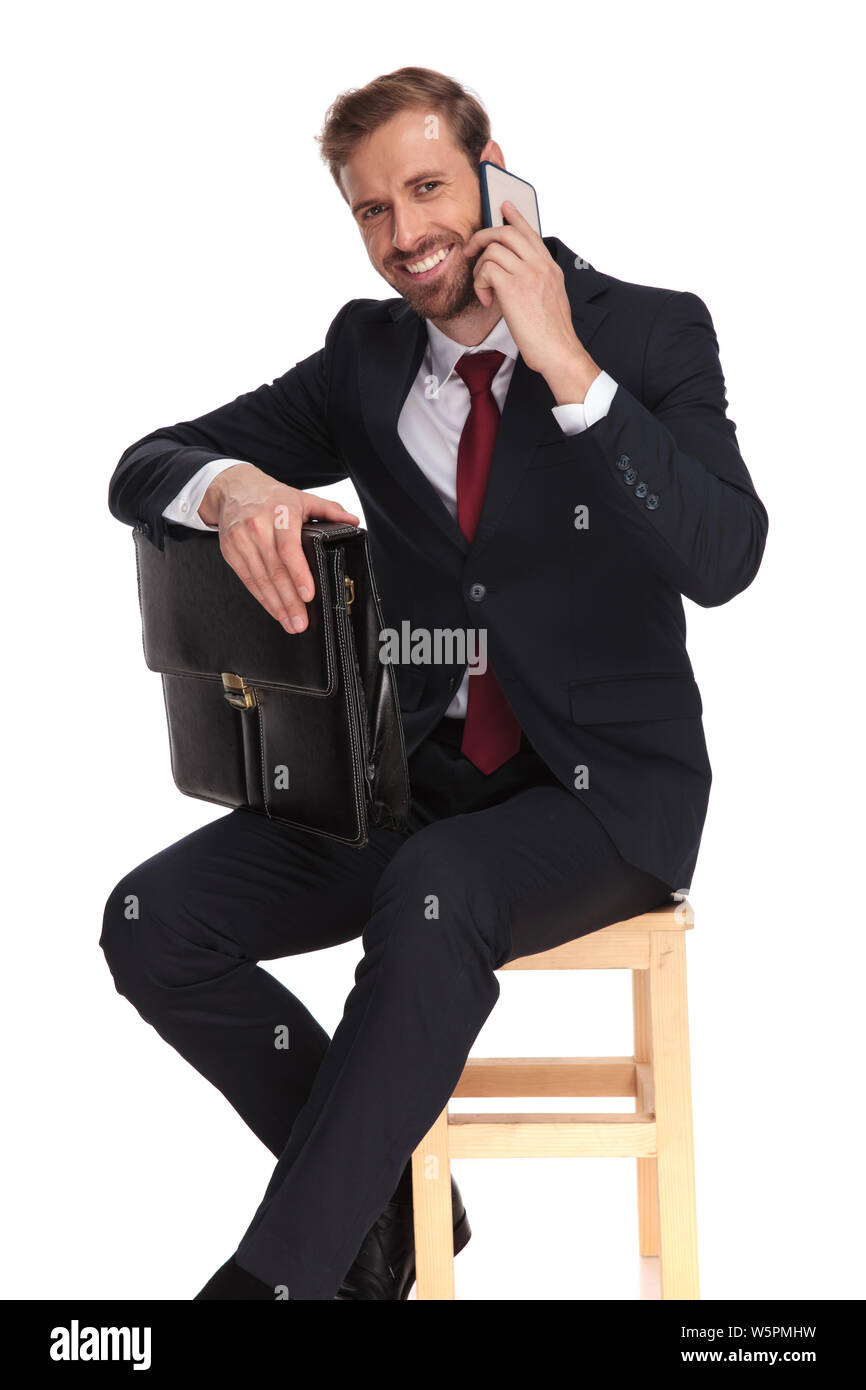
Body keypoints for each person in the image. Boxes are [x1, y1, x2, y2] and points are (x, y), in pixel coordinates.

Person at [101, 65, 768, 1301]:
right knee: (152, 924)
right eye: (369, 210)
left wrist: (567, 367)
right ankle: (393, 1211)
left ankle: (277, 1285)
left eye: (425, 189)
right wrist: (232, 487)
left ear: (492, 171)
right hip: (412, 781)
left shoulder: (647, 331)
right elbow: (145, 463)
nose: (404, 235)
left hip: (600, 798)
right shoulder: (364, 360)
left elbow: (726, 556)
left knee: (428, 894)